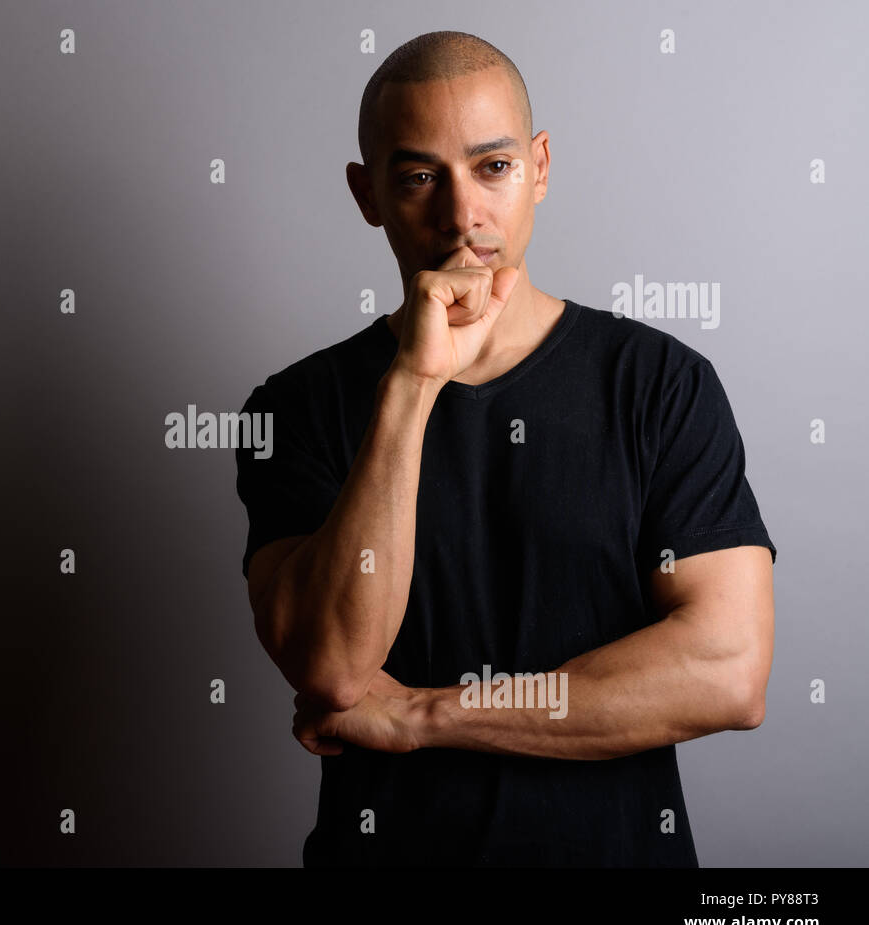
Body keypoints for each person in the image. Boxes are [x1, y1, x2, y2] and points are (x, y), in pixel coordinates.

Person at [234, 31, 777, 867]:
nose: (462, 215)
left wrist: (425, 714)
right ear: (366, 193)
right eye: (419, 178)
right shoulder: (295, 409)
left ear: (540, 167)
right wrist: (414, 383)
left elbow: (728, 671)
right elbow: (333, 669)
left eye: (493, 167)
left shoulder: (659, 383)